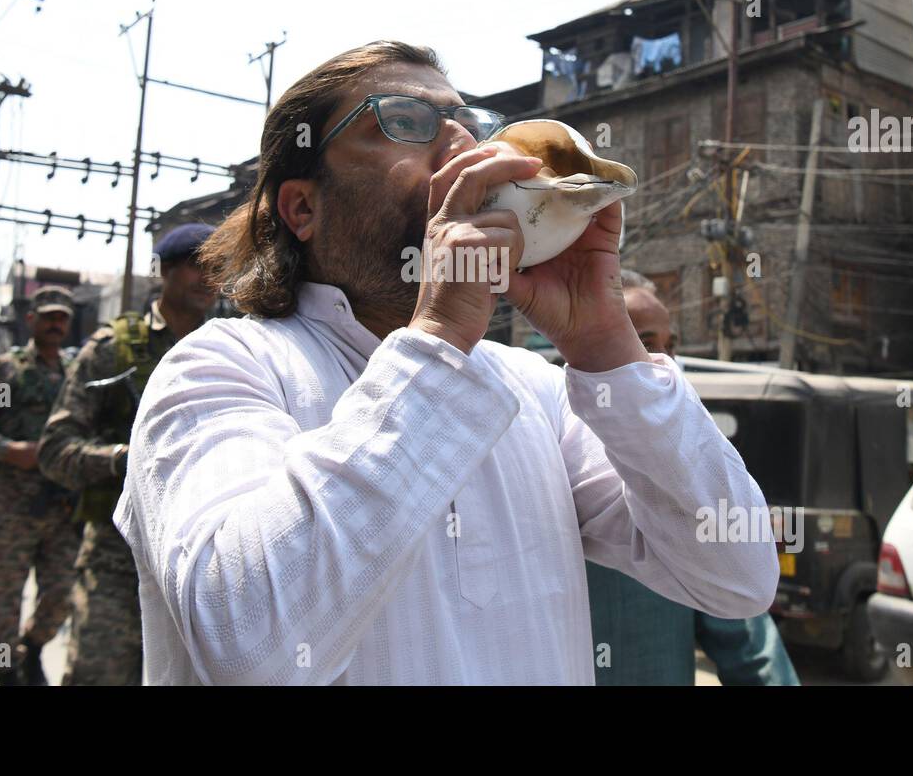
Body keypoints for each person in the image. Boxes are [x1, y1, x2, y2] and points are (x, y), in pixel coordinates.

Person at [116, 41, 778, 685]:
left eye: (471, 125)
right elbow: (247, 643)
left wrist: (607, 343)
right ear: (303, 207)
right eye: (406, 120)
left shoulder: (536, 393)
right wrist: (439, 334)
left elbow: (737, 576)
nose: (462, 144)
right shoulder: (219, 369)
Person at [585, 270, 799, 685]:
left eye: (672, 346)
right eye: (645, 342)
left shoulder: (689, 484)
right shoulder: (551, 462)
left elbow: (752, 650)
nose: (665, 361)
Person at [38, 224, 217, 686]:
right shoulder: (112, 349)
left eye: (218, 266)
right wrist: (126, 459)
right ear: (166, 271)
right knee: (100, 674)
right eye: (196, 264)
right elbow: (55, 451)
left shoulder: (228, 349)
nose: (208, 277)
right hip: (118, 556)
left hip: (202, 557)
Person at [0, 286, 80, 685]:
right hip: (12, 503)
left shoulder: (74, 373)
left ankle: (32, 648)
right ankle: (7, 666)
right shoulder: (6, 374)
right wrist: (11, 450)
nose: (55, 324)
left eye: (62, 317)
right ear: (31, 319)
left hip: (61, 507)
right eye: (48, 316)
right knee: (4, 597)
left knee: (60, 595)